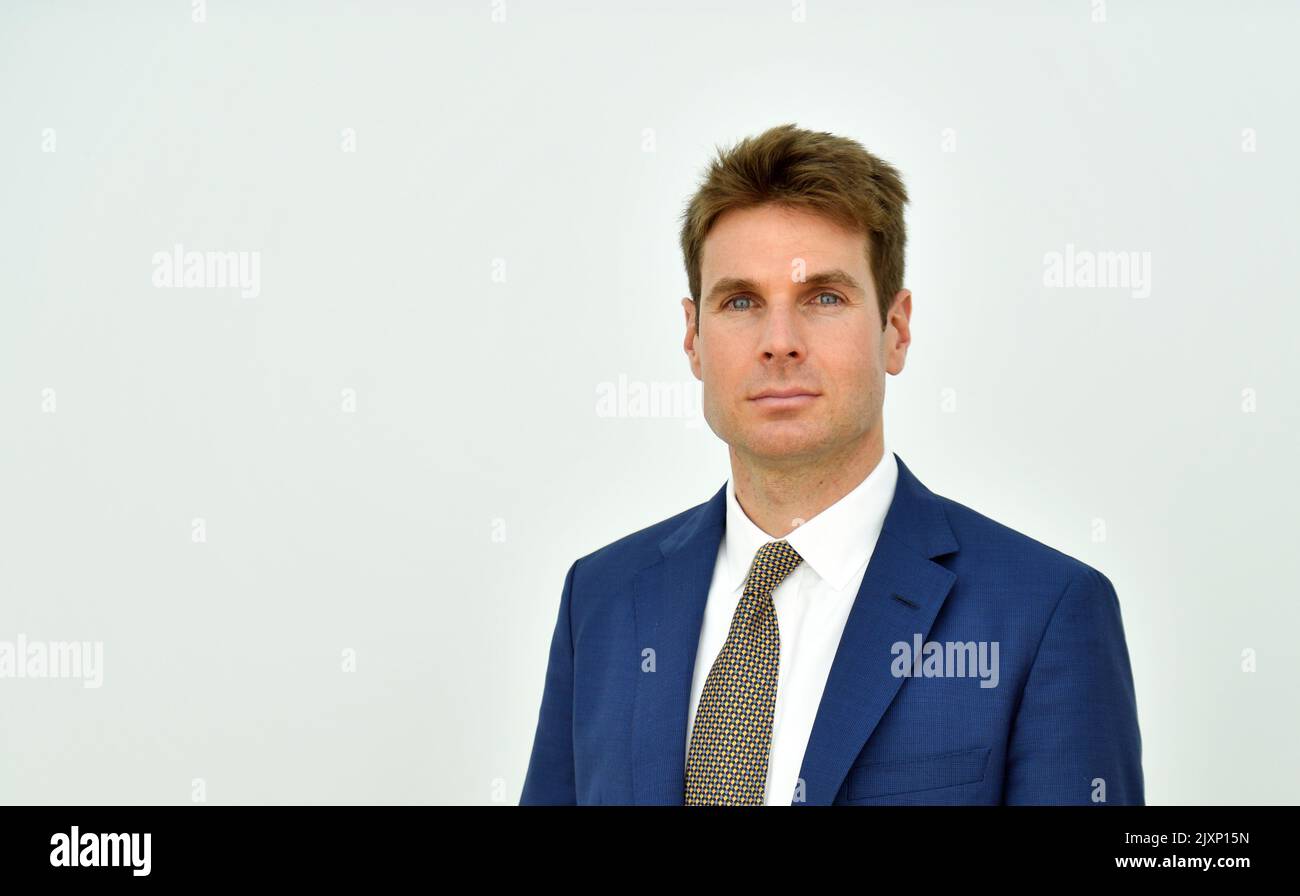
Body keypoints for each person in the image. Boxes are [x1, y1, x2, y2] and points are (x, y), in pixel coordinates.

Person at [520, 123, 1143, 805]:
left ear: (895, 331)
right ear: (693, 339)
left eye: (824, 298)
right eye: (740, 302)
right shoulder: (603, 600)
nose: (779, 343)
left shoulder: (1044, 613)